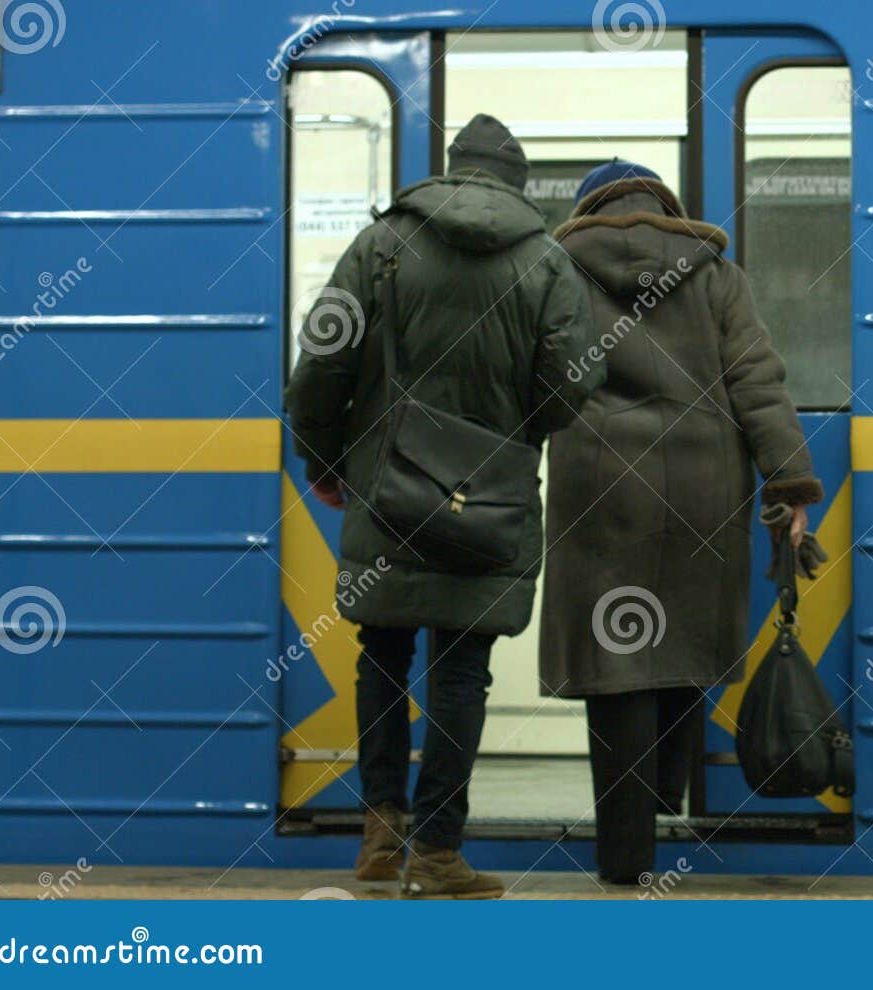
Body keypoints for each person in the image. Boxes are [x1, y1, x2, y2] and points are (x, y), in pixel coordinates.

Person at [285, 115, 603, 898]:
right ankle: (437, 852)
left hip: (386, 484)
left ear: (451, 170)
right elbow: (571, 386)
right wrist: (511, 426)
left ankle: (379, 832)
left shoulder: (381, 245)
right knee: (462, 672)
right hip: (487, 496)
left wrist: (324, 460)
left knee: (382, 657)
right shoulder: (547, 262)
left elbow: (324, 359)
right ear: (517, 183)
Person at [539, 160, 822, 884]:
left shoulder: (557, 272)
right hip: (703, 486)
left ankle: (625, 858)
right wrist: (789, 483)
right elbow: (758, 381)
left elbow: (537, 379)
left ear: (586, 207)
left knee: (616, 664)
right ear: (665, 204)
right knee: (683, 640)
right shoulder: (717, 275)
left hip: (599, 489)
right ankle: (668, 793)